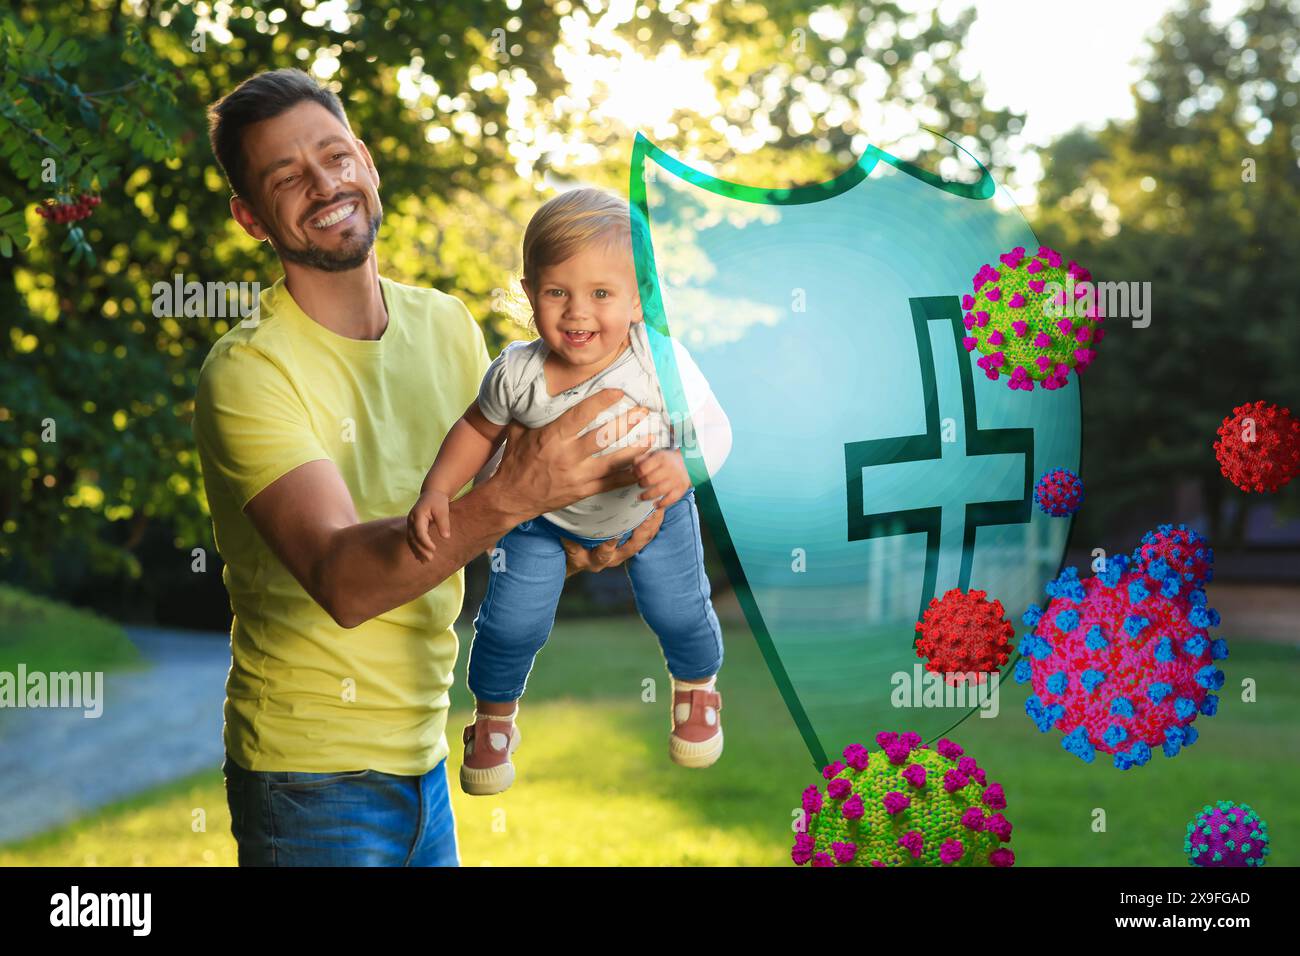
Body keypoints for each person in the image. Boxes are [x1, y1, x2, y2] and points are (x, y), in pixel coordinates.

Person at [194, 69, 662, 866]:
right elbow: (345, 580)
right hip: (307, 778)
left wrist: (590, 531)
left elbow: (504, 508)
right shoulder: (248, 372)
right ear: (251, 218)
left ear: (368, 165)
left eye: (335, 157)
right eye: (286, 177)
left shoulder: (446, 325)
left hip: (424, 758)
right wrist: (521, 493)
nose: (323, 184)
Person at [406, 188, 733, 796]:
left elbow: (715, 428)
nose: (578, 313)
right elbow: (477, 429)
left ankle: (696, 687)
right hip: (542, 521)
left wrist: (684, 466)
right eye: (558, 292)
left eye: (601, 294)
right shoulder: (518, 372)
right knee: (509, 624)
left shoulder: (659, 361)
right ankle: (494, 719)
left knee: (676, 608)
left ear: (638, 299)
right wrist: (437, 489)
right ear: (530, 294)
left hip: (651, 506)